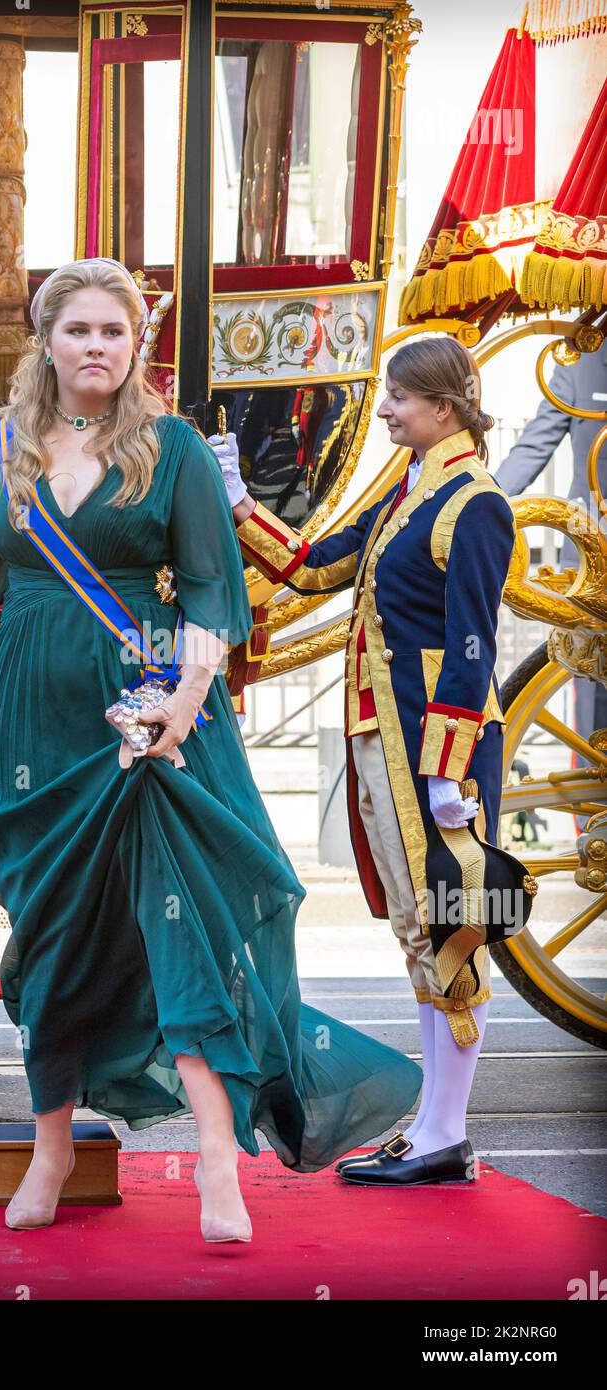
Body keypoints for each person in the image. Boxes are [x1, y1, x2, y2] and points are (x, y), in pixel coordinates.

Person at [0, 258, 421, 1241]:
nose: (95, 345)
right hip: (32, 721)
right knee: (48, 939)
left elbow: (213, 593)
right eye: (77, 329)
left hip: (149, 717)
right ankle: (52, 1150)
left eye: (113, 330)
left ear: (136, 346)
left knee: (180, 928)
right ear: (45, 341)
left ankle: (217, 1162)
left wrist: (182, 702)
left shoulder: (172, 447)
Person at [211, 338, 516, 1185]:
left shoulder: (475, 502)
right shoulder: (410, 491)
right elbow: (316, 568)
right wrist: (238, 501)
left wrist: (450, 772)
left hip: (434, 748)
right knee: (419, 928)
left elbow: (471, 645)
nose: (384, 409)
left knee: (453, 928)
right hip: (387, 737)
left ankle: (446, 1132)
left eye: (397, 399)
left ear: (441, 410)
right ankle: (434, 1123)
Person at [494, 341, 607, 750]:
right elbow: (536, 442)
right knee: (590, 680)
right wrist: (483, 500)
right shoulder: (580, 360)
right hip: (591, 553)